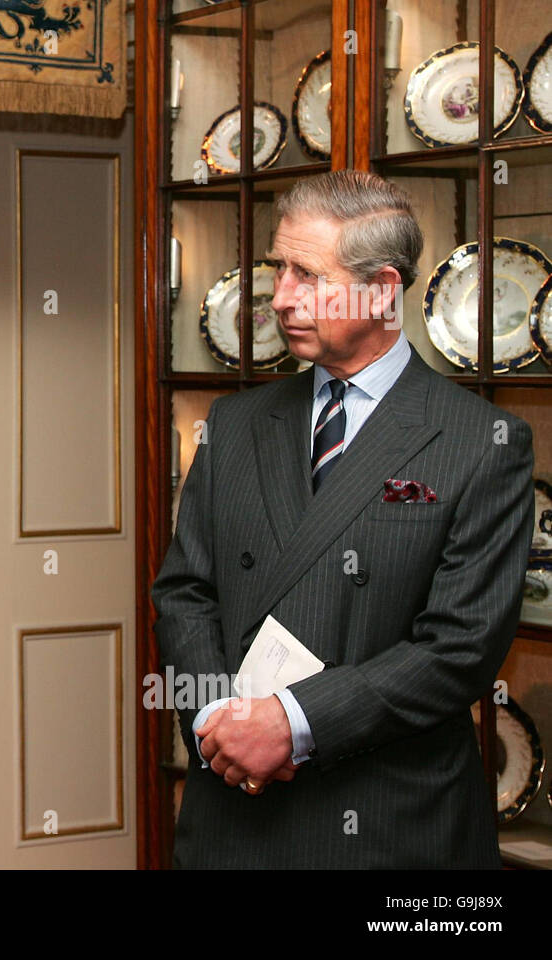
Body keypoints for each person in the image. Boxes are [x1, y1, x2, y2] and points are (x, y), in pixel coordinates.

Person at [153, 169, 534, 868]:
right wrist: (219, 724)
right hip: (236, 816)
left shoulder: (481, 443)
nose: (280, 296)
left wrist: (293, 724)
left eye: (308, 275)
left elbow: (459, 649)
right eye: (277, 268)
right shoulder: (235, 425)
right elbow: (184, 593)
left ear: (383, 289)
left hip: (392, 824)